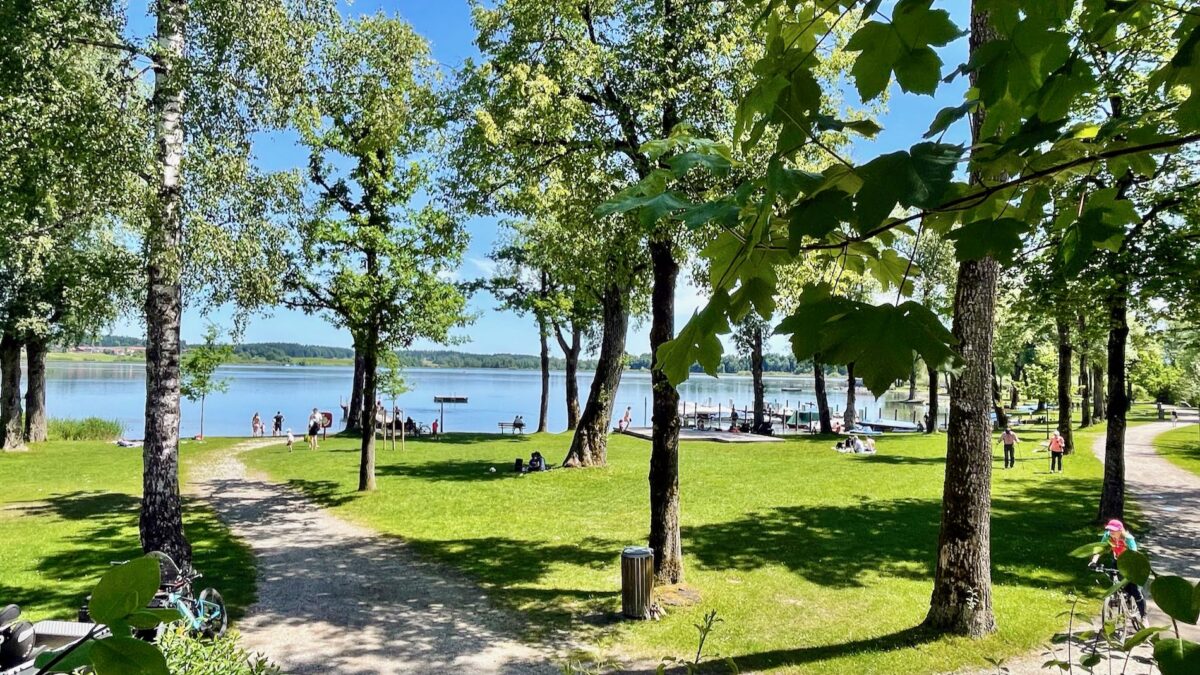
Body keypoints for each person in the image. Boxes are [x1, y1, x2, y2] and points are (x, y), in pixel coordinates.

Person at [1090, 519, 1147, 618]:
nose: (1111, 532)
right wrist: (1094, 561)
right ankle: (1118, 601)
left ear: (1120, 530)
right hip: (1117, 561)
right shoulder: (1108, 536)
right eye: (1110, 530)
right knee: (1115, 582)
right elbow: (1100, 549)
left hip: (1130, 563)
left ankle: (1143, 616)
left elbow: (1134, 555)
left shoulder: (1128, 539)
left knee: (1135, 591)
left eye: (1113, 530)